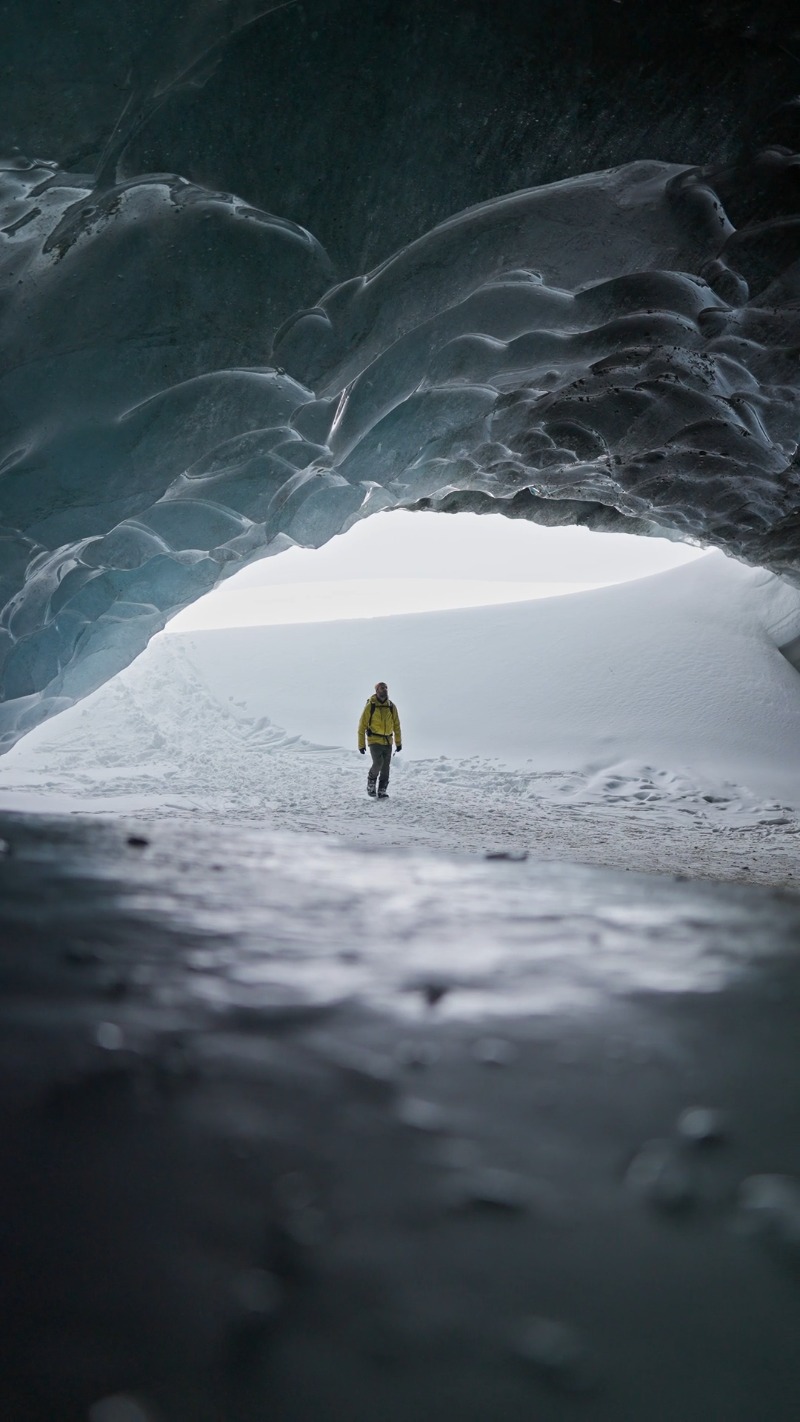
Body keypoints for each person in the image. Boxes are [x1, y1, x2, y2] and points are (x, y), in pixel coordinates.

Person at [357, 681, 402, 798]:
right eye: (382, 688)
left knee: (386, 767)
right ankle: (371, 783)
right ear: (376, 691)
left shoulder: (391, 706)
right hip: (374, 740)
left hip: (388, 741)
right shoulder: (371, 706)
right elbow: (362, 726)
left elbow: (396, 725)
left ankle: (382, 790)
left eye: (386, 687)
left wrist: (398, 743)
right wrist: (361, 745)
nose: (385, 689)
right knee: (378, 763)